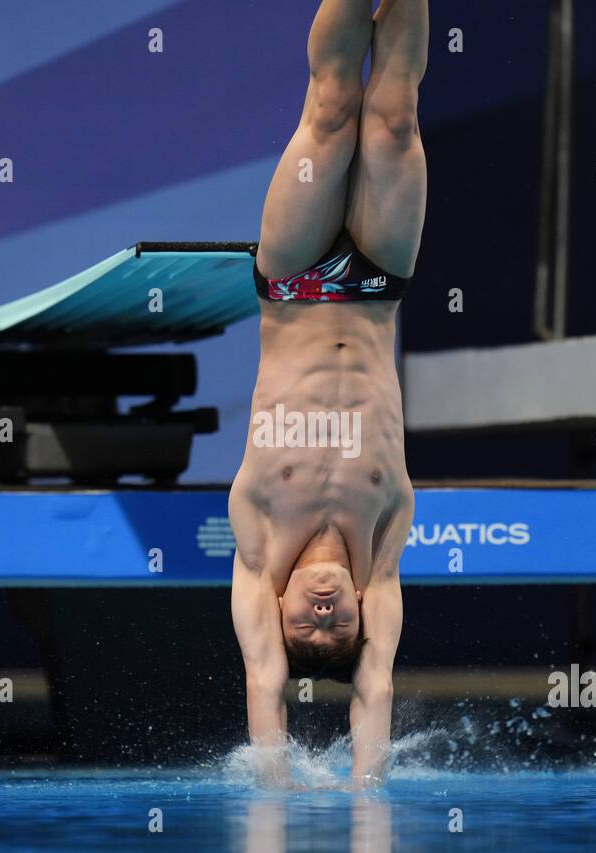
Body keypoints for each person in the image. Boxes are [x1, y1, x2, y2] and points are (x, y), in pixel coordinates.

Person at [228, 0, 427, 786]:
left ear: (276, 615)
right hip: (378, 285)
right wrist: (365, 797)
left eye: (302, 627)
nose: (319, 614)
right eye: (334, 626)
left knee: (332, 112)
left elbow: (264, 687)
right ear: (361, 615)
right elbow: (373, 688)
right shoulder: (382, 554)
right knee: (395, 121)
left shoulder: (258, 547)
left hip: (296, 281)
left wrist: (276, 793)